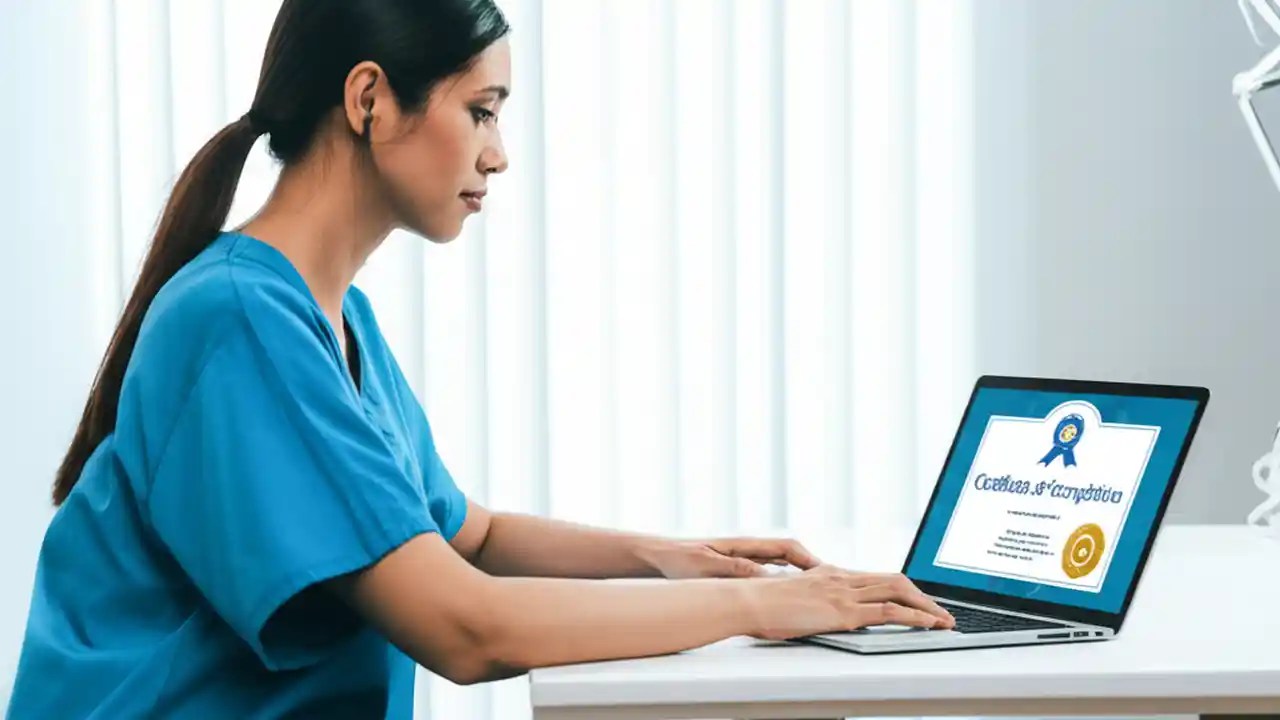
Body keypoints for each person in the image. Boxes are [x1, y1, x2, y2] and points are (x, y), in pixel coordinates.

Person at [6, 1, 954, 717]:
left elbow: (468, 536)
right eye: (483, 109)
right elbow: (466, 627)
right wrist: (766, 610)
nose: (498, 155)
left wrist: (668, 557)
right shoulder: (240, 320)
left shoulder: (330, 319)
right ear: (370, 99)